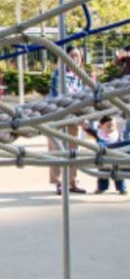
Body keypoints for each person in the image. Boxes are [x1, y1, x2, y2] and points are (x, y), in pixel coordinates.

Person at [47, 45, 86, 195]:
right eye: (72, 55)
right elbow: (59, 96)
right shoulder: (59, 73)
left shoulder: (81, 75)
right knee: (57, 149)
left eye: (77, 56)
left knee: (74, 149)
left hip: (75, 116)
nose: (75, 59)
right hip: (58, 115)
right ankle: (58, 181)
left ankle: (72, 181)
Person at [92, 115, 128, 195]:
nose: (111, 128)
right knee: (103, 174)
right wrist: (85, 127)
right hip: (104, 157)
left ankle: (122, 188)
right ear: (101, 126)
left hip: (115, 157)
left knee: (119, 173)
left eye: (113, 126)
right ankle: (101, 188)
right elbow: (90, 130)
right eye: (108, 126)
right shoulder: (99, 134)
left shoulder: (117, 134)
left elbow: (121, 143)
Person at [114, 45, 130, 140]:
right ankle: (125, 135)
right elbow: (116, 63)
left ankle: (126, 134)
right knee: (125, 110)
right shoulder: (127, 48)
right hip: (126, 82)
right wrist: (118, 57)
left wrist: (127, 54)